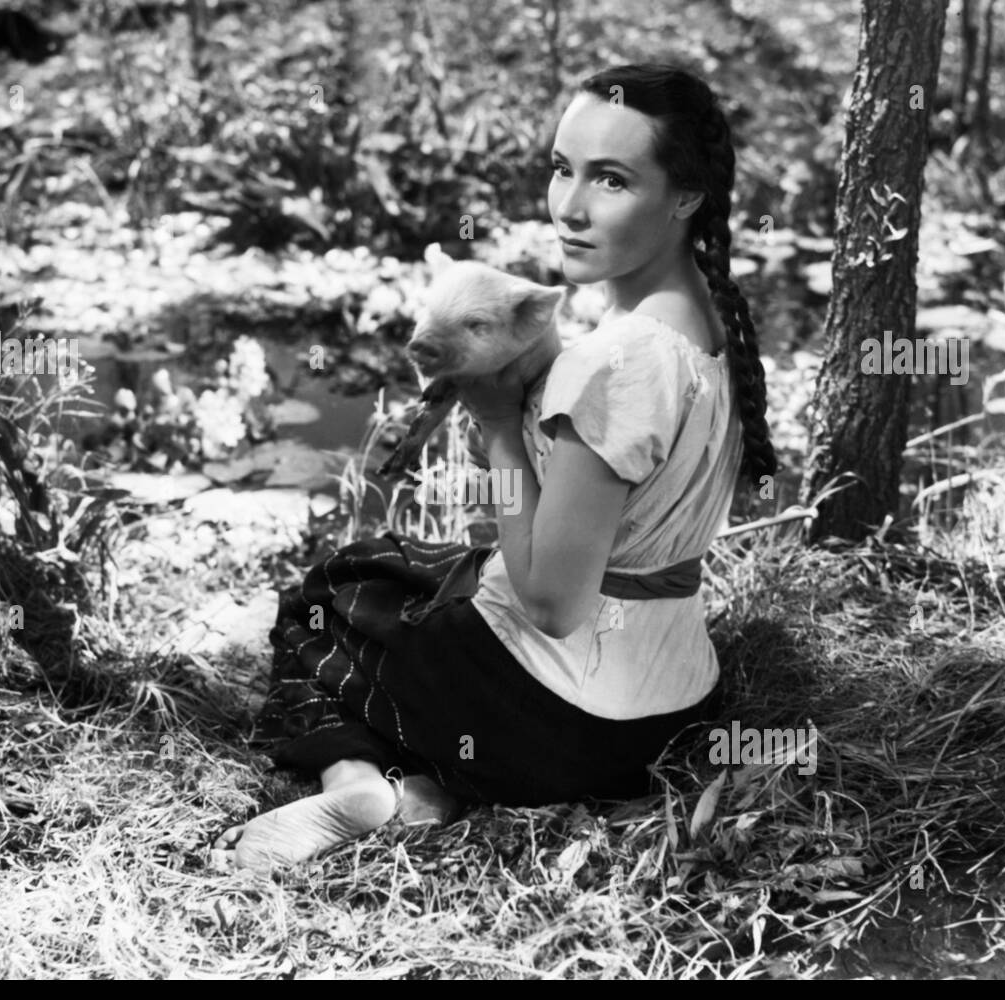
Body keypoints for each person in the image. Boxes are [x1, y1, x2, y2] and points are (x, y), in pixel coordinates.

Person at [211, 62, 778, 872]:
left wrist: (498, 428)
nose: (570, 207)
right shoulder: (710, 319)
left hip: (567, 721)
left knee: (328, 597)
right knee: (403, 569)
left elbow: (551, 602)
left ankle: (358, 779)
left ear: (685, 196)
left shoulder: (616, 362)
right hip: (675, 706)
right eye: (562, 168)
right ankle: (431, 787)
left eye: (611, 180)